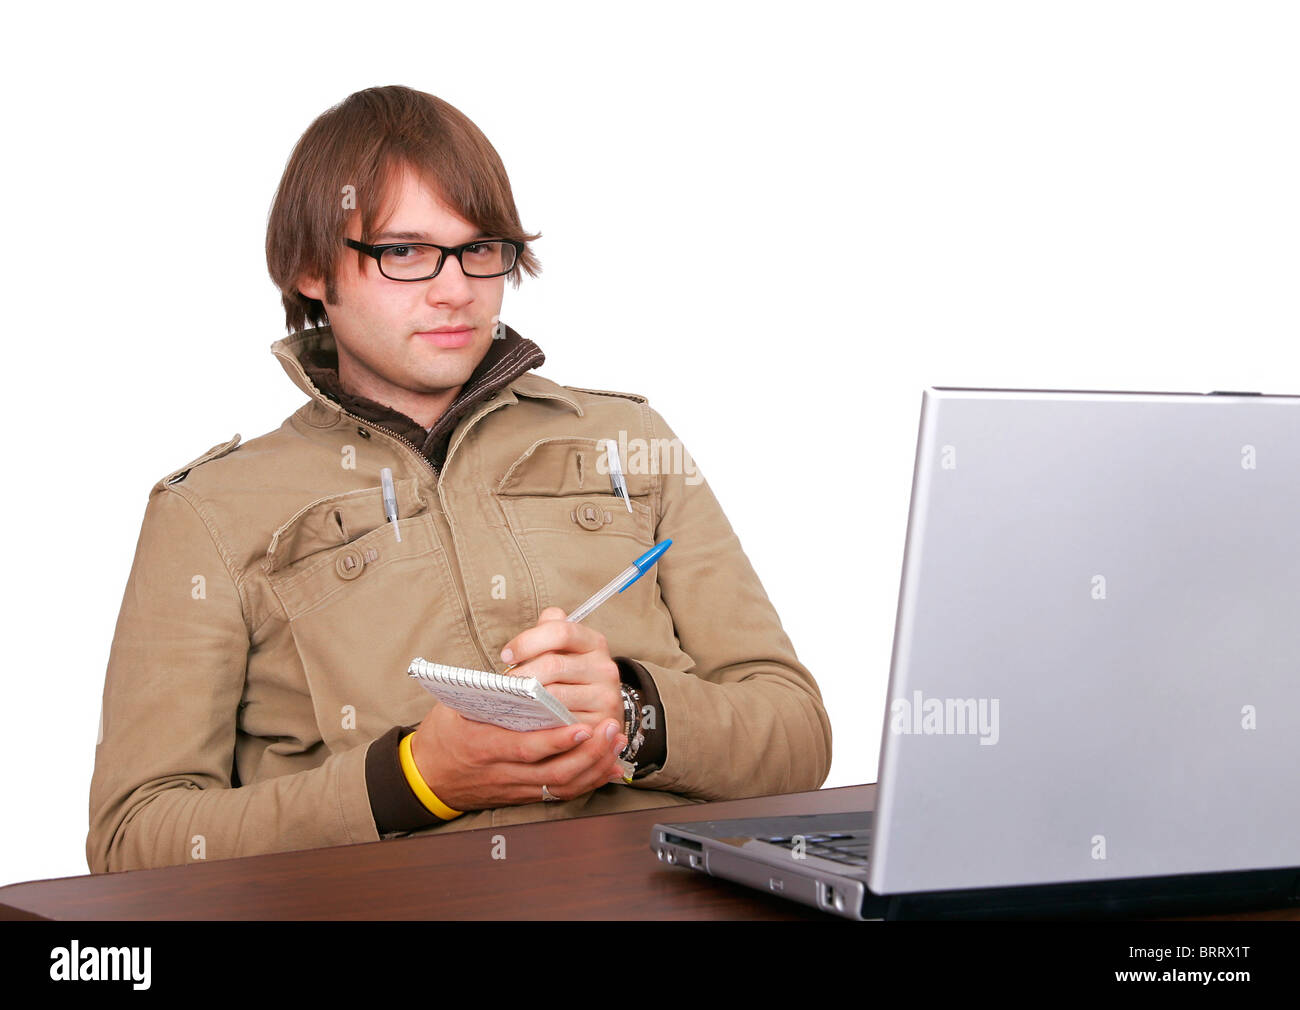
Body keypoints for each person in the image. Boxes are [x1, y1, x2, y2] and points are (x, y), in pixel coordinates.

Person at [86, 85, 832, 873]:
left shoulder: (630, 441)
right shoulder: (207, 512)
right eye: (403, 251)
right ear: (309, 269)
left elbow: (797, 736)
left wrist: (636, 712)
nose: (457, 289)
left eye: (480, 248)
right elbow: (135, 839)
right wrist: (414, 782)